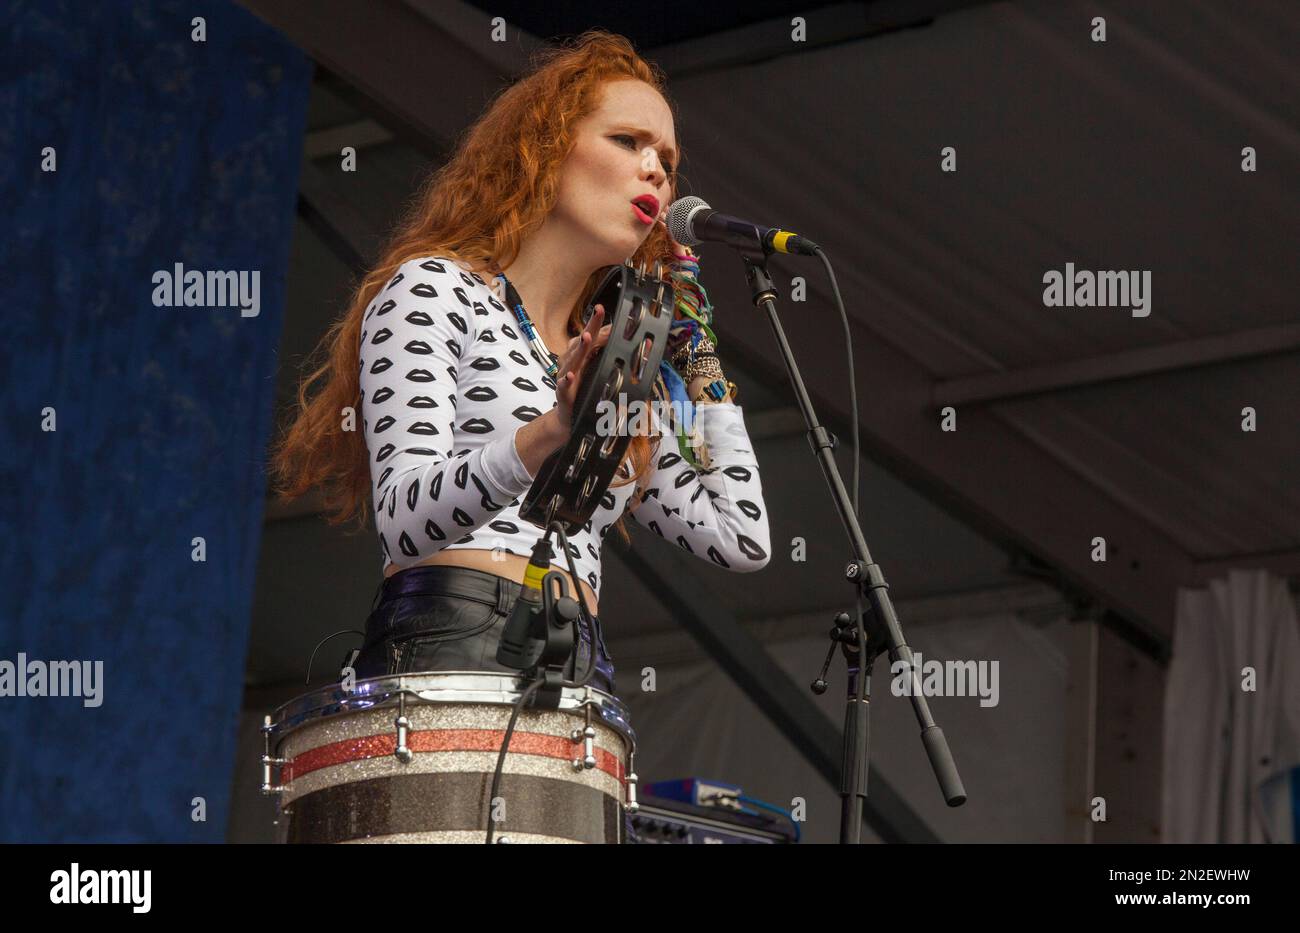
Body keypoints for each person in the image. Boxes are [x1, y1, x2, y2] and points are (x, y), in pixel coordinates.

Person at [268, 30, 771, 832]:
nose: (656, 171)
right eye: (628, 141)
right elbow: (405, 514)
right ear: (545, 151)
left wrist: (698, 352)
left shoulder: (615, 361)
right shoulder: (434, 291)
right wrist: (548, 433)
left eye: (668, 161)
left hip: (580, 684)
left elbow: (739, 536)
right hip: (450, 649)